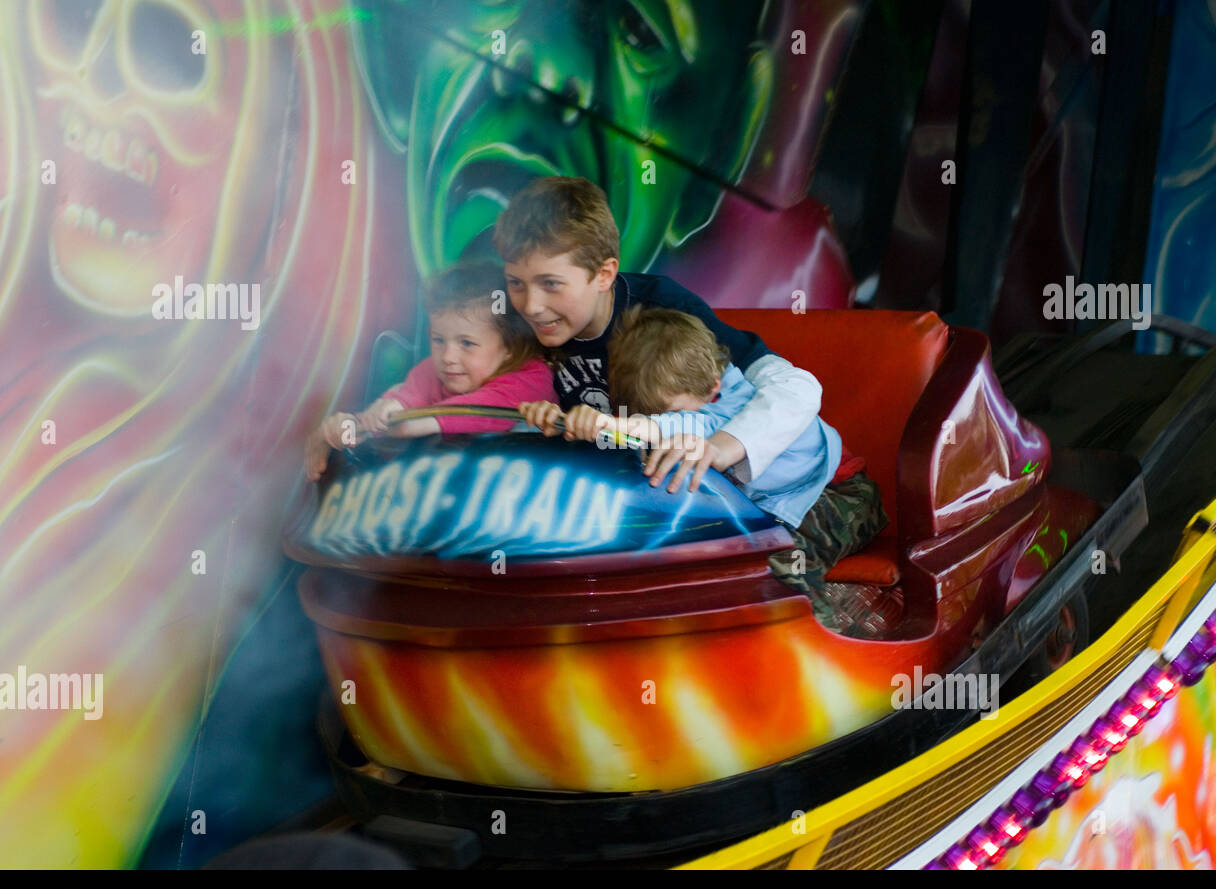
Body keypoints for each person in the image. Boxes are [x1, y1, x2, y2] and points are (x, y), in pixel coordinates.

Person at [521, 306, 888, 630]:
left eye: (674, 412)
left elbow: (679, 427)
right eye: (651, 414)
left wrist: (613, 425)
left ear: (714, 386)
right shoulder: (681, 401)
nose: (666, 421)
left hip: (836, 495)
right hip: (766, 507)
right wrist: (562, 422)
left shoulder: (735, 402)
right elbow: (637, 430)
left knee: (780, 567)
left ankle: (828, 642)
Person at [500, 175, 824, 494]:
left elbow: (796, 389)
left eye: (551, 284)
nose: (531, 306)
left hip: (795, 487)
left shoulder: (666, 312)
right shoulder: (517, 323)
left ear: (604, 275)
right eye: (515, 282)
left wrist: (720, 448)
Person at [305, 261, 555, 481]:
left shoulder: (533, 379)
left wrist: (400, 419)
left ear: (509, 346)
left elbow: (484, 411)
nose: (448, 357)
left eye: (466, 343)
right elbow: (394, 408)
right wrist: (346, 430)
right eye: (438, 340)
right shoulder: (432, 372)